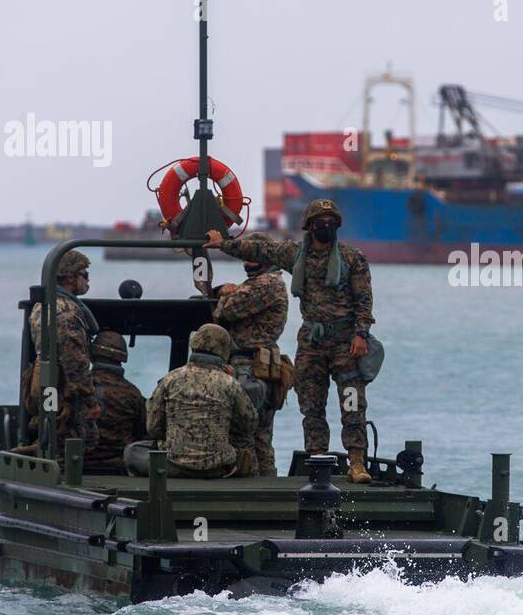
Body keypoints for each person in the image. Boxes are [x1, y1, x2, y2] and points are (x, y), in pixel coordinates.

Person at [205, 198, 376, 482]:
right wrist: (222, 243)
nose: (326, 226)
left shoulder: (352, 258)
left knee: (352, 402)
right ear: (309, 226)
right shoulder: (295, 255)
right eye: (320, 222)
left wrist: (361, 334)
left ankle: (357, 463)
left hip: (346, 340)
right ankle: (318, 459)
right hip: (311, 340)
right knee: (311, 404)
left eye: (331, 222)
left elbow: (364, 299)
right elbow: (260, 248)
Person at [125, 324, 256, 480]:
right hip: (218, 468)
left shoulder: (170, 379)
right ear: (223, 351)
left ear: (194, 344)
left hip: (173, 465)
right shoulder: (230, 384)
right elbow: (249, 424)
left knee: (132, 451)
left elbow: (153, 427)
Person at [212, 232, 289, 477]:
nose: (246, 262)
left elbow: (227, 311)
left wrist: (225, 295)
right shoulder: (262, 283)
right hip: (259, 366)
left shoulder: (268, 284)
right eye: (244, 257)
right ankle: (266, 484)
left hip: (250, 367)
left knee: (244, 434)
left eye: (251, 256)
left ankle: (251, 484)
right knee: (261, 437)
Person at [25, 249, 100, 457]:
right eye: (85, 275)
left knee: (54, 436)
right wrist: (90, 401)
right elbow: (74, 361)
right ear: (70, 278)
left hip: (48, 386)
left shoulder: (42, 306)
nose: (87, 282)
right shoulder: (66, 311)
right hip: (64, 389)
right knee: (81, 442)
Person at [83, 330, 146, 472]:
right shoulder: (133, 394)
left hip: (78, 463)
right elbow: (140, 433)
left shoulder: (79, 388)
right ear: (122, 359)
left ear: (92, 355)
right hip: (119, 467)